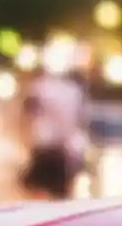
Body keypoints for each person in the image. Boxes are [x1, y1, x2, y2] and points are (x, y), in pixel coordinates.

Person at [20, 68, 87, 199]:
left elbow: (28, 113)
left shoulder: (40, 87)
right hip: (63, 147)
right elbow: (80, 118)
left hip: (48, 146)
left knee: (38, 188)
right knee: (60, 193)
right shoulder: (74, 90)